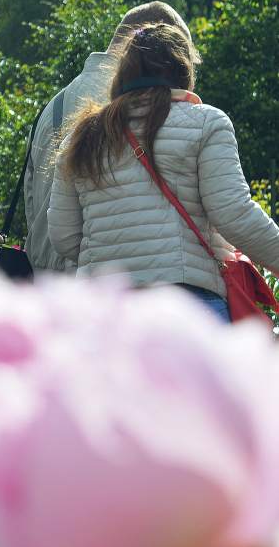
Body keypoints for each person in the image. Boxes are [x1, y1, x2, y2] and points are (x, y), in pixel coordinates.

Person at [49, 22, 279, 322]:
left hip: (103, 312)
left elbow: (63, 236)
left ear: (125, 72)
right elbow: (234, 214)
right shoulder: (207, 122)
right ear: (183, 71)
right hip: (186, 305)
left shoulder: (81, 135)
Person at [25, 1, 192, 274]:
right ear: (155, 45)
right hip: (98, 277)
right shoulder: (135, 102)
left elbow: (32, 205)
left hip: (45, 278)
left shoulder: (51, 106)